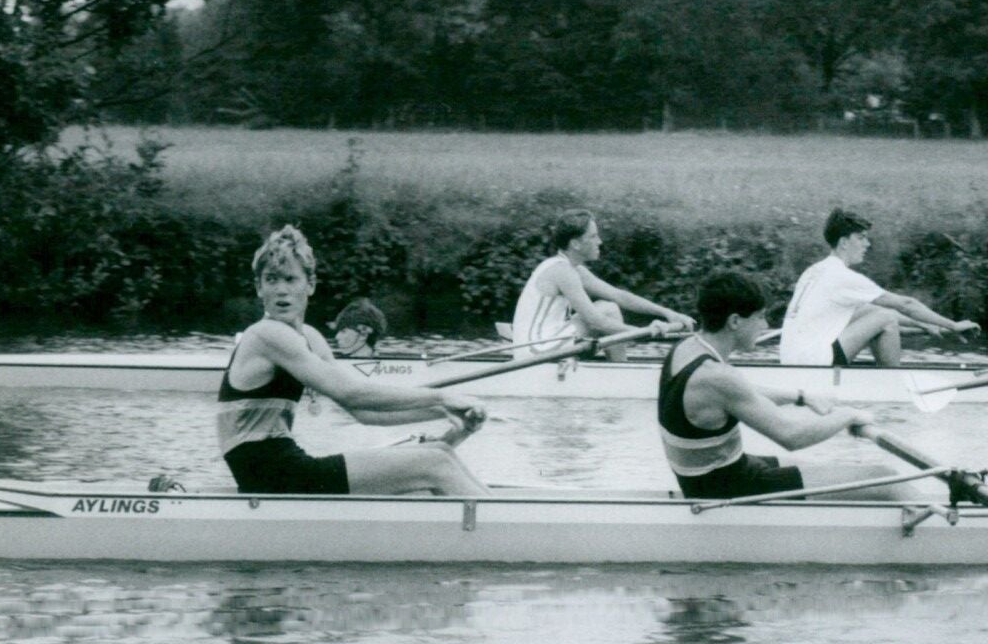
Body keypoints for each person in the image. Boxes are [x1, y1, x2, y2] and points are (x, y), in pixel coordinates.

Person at [218, 226, 489, 496]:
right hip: (266, 475)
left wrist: (446, 414)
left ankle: (488, 526)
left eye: (290, 279)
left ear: (309, 285)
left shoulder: (310, 338)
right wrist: (441, 399)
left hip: (283, 468)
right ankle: (505, 532)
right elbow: (353, 395)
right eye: (271, 280)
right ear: (258, 287)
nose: (281, 290)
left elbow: (364, 413)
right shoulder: (267, 334)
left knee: (439, 451)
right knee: (436, 463)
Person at [663, 270, 918, 501]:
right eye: (760, 317)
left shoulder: (686, 349)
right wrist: (848, 415)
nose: (765, 327)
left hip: (718, 474)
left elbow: (738, 393)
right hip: (729, 489)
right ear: (735, 322)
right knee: (887, 478)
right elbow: (791, 436)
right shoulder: (717, 377)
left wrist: (801, 396)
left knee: (821, 466)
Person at [779, 208, 979, 366]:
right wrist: (953, 325)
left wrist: (927, 326)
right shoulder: (842, 277)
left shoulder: (814, 271)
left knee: (880, 313)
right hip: (812, 363)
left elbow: (868, 311)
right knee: (887, 317)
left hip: (792, 359)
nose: (867, 244)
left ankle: (886, 378)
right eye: (861, 238)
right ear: (843, 242)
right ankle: (892, 384)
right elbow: (906, 304)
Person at [512, 208, 694, 362]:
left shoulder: (572, 268)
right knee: (607, 312)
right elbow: (595, 321)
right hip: (535, 352)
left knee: (609, 306)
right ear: (575, 243)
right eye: (593, 236)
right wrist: (646, 332)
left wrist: (668, 313)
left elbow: (619, 296)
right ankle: (620, 374)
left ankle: (619, 370)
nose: (599, 242)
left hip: (545, 343)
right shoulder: (562, 271)